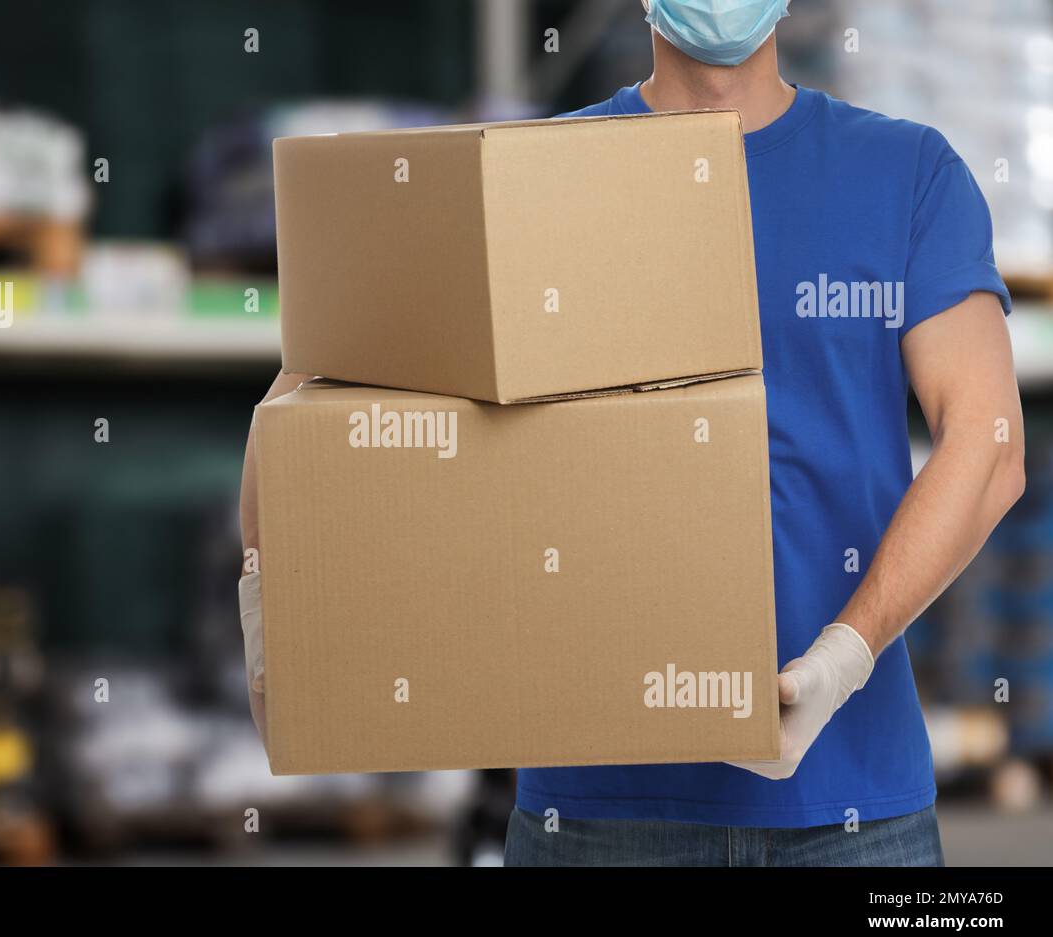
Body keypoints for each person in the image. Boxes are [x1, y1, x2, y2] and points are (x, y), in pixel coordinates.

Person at [240, 0, 1025, 867]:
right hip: (593, 819)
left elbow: (988, 447)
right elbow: (311, 404)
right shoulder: (527, 175)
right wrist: (278, 630)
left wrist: (843, 659)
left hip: (858, 815)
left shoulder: (907, 172)